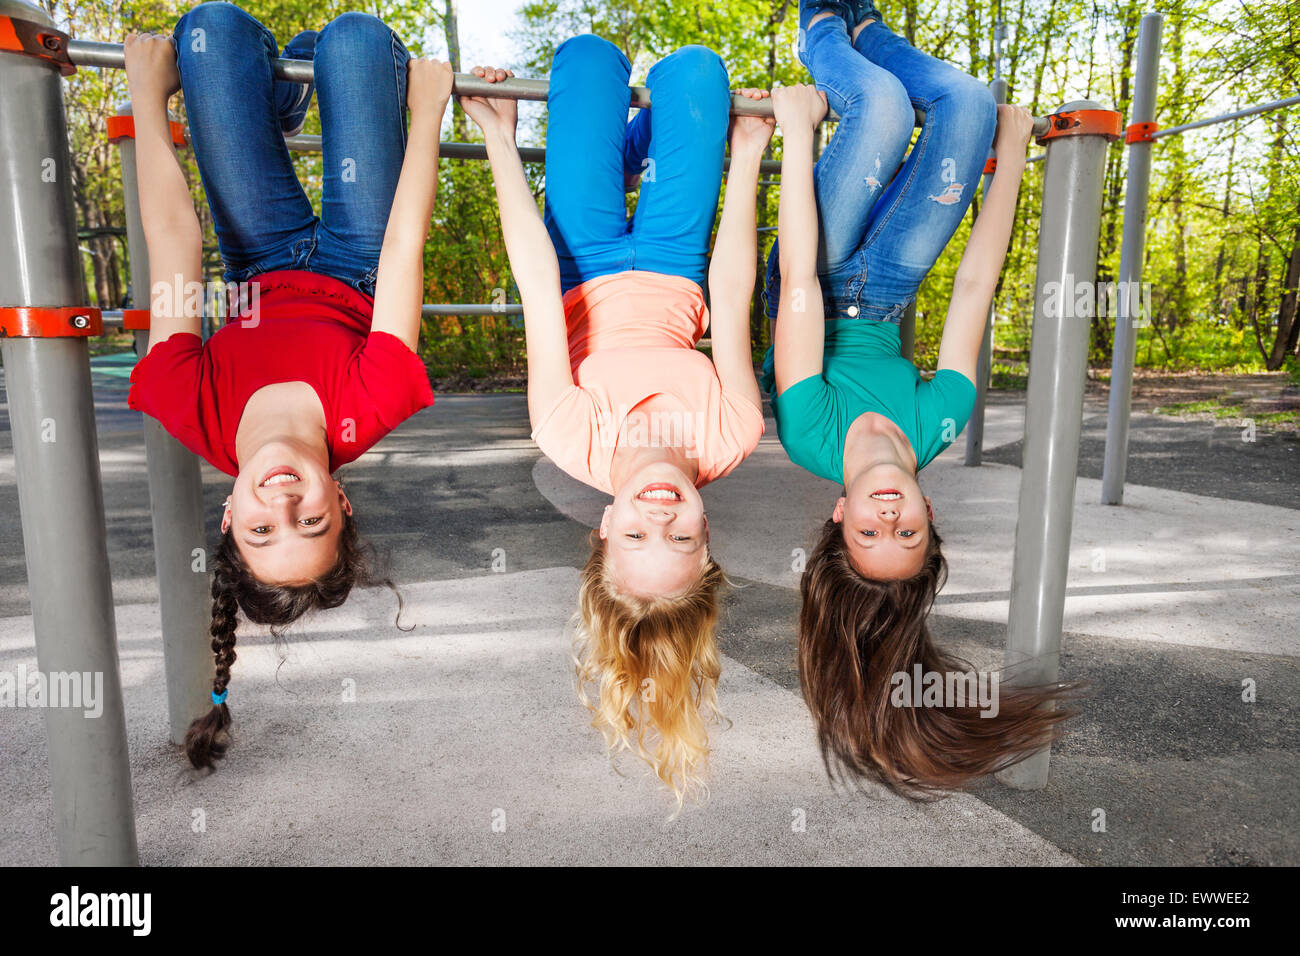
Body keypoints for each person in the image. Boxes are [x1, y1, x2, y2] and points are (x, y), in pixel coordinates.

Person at [123, 2, 450, 768]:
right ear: (342, 503)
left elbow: (175, 241)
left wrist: (146, 98)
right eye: (313, 524)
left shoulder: (183, 401)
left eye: (263, 530)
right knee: (356, 42)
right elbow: (404, 248)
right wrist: (429, 113)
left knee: (211, 31)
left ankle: (272, 90)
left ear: (231, 516)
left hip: (257, 257)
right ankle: (307, 79)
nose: (285, 505)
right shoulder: (374, 407)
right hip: (358, 257)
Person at [766, 3, 1079, 795]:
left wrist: (799, 139)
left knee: (880, 110)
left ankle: (823, 26)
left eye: (871, 530)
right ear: (929, 517)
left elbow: (800, 281)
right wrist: (1010, 160)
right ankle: (868, 26)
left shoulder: (811, 437)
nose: (888, 513)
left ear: (840, 520)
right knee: (971, 104)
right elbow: (975, 286)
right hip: (893, 282)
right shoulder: (941, 419)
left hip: (819, 268)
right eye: (905, 529)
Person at [459, 37, 773, 807]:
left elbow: (536, 286)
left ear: (603, 529)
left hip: (580, 260)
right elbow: (730, 299)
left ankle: (626, 151)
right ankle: (653, 147)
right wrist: (747, 164)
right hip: (673, 257)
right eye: (682, 538)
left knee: (588, 62)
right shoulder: (731, 434)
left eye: (637, 537)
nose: (660, 518)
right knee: (698, 70)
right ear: (708, 541)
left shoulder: (567, 436)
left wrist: (499, 137)